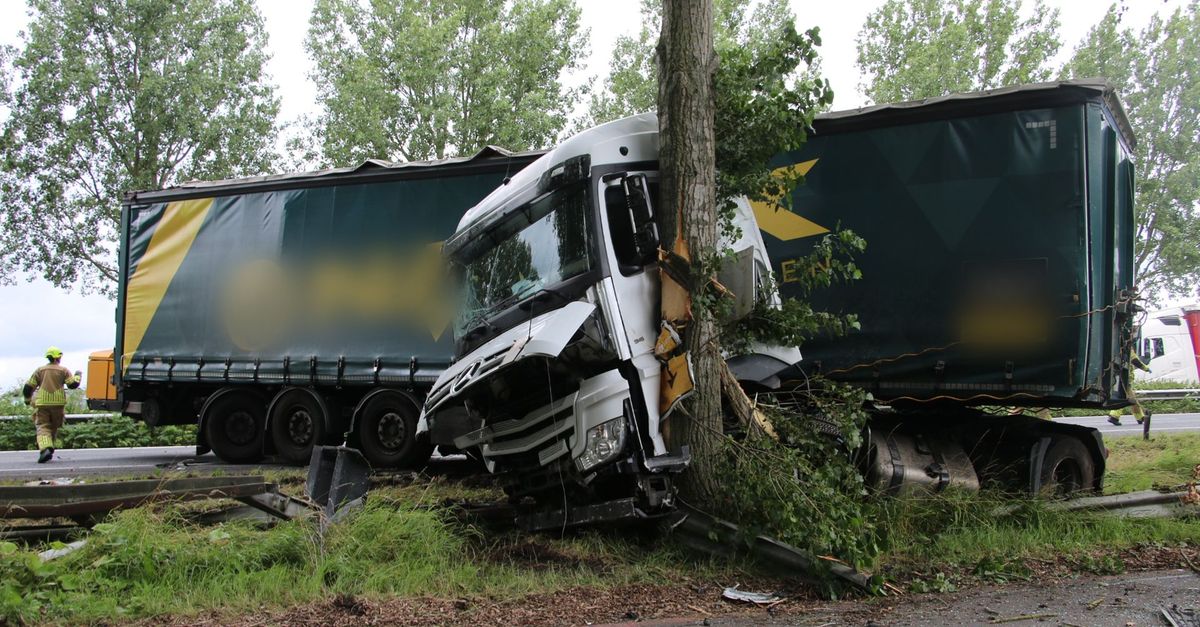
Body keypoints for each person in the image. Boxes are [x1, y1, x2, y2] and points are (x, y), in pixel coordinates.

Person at [22, 347, 82, 463]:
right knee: (53, 427)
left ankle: (45, 448)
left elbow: (28, 387)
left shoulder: (40, 370)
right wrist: (78, 375)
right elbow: (73, 384)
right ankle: (49, 448)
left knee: (43, 426)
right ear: (58, 357)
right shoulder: (63, 370)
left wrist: (27, 399)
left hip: (43, 403)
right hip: (58, 404)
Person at [1108, 349, 1151, 427]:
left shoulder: (1117, 346)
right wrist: (1145, 368)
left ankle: (1140, 417)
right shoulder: (1127, 346)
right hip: (1124, 377)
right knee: (1123, 397)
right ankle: (1114, 416)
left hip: (1119, 376)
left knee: (1132, 399)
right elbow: (1134, 360)